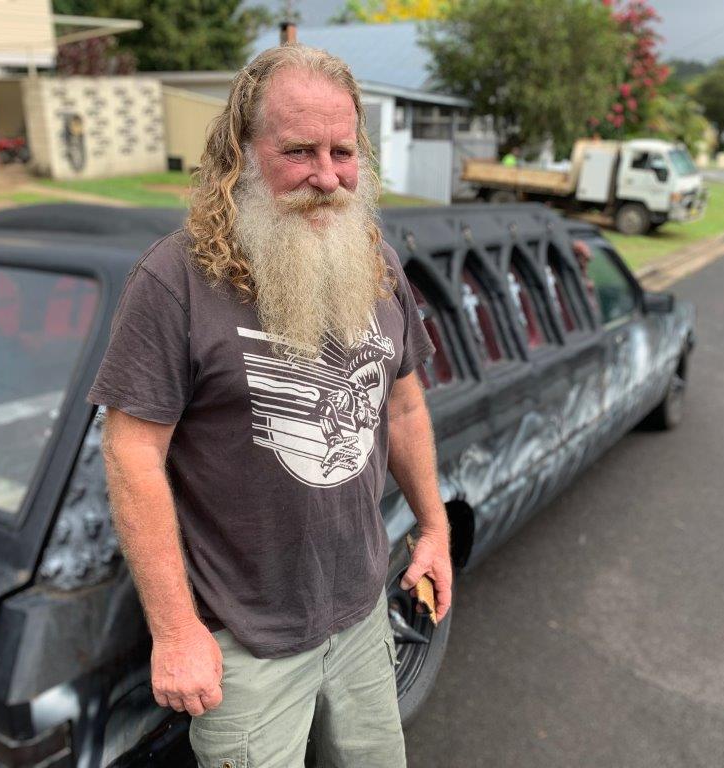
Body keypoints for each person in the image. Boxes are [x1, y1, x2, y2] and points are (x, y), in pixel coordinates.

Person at [87, 43, 454, 768]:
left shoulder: (374, 257)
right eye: (298, 151)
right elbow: (132, 453)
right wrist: (176, 630)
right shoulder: (174, 280)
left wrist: (435, 529)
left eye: (343, 151)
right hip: (242, 639)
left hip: (360, 608)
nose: (326, 176)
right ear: (242, 151)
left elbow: (404, 407)